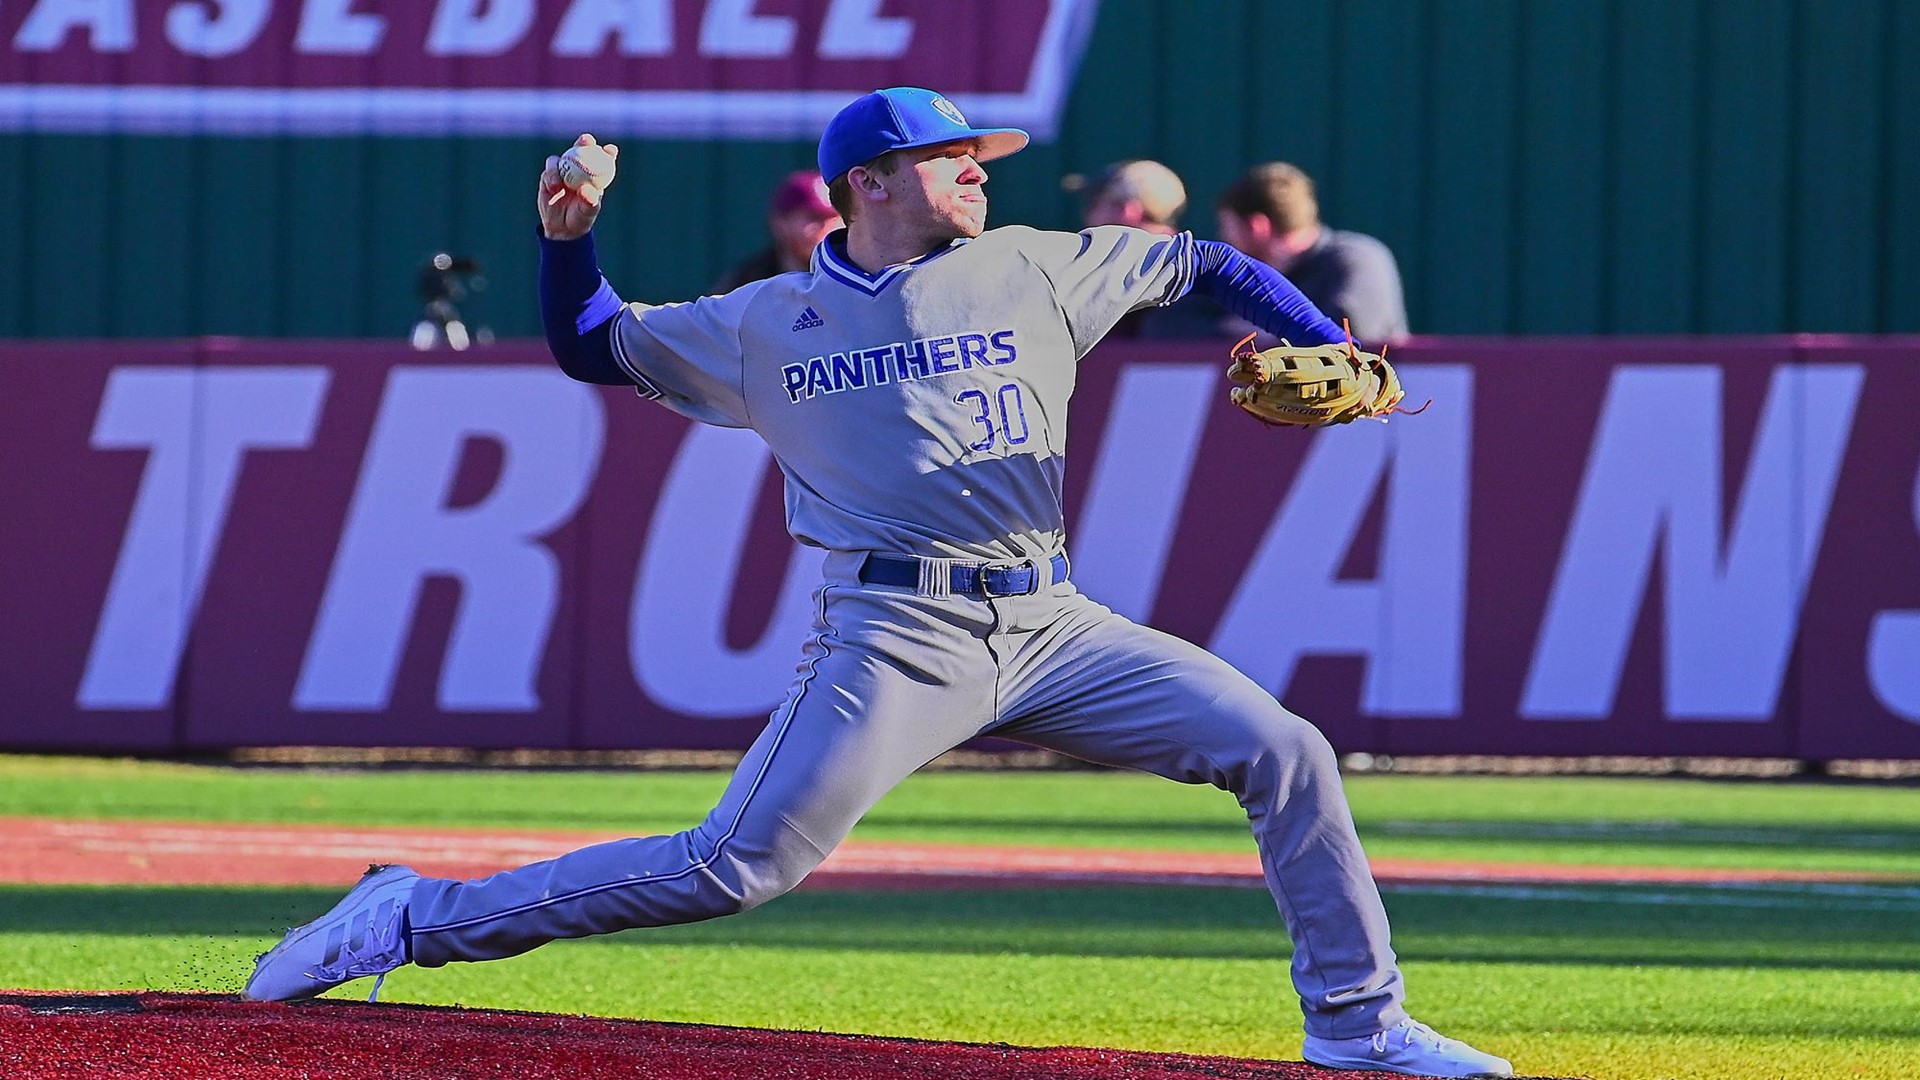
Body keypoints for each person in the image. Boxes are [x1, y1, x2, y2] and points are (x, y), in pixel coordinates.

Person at [243, 88, 1511, 1079]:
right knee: (734, 868)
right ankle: (407, 920)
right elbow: (590, 345)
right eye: (954, 155)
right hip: (897, 630)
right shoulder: (765, 320)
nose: (978, 170)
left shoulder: (1032, 262)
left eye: (982, 156)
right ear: (871, 182)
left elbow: (1206, 267)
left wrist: (1321, 340)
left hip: (1054, 619)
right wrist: (566, 242)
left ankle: (1356, 1024)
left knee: (1285, 748)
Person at [1216, 162, 1409, 345]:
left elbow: (1346, 333)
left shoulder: (1357, 258)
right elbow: (1192, 321)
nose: (1223, 236)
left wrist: (1253, 330)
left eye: (1227, 225)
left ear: (1257, 226)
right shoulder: (1242, 276)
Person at [1070, 159, 1230, 340]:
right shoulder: (1194, 261)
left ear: (1128, 209)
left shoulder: (1124, 266)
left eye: (1095, 203)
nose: (1088, 214)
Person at [712, 169, 844, 293]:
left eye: (834, 218)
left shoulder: (852, 276)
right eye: (814, 218)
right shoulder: (748, 282)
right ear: (780, 222)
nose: (826, 227)